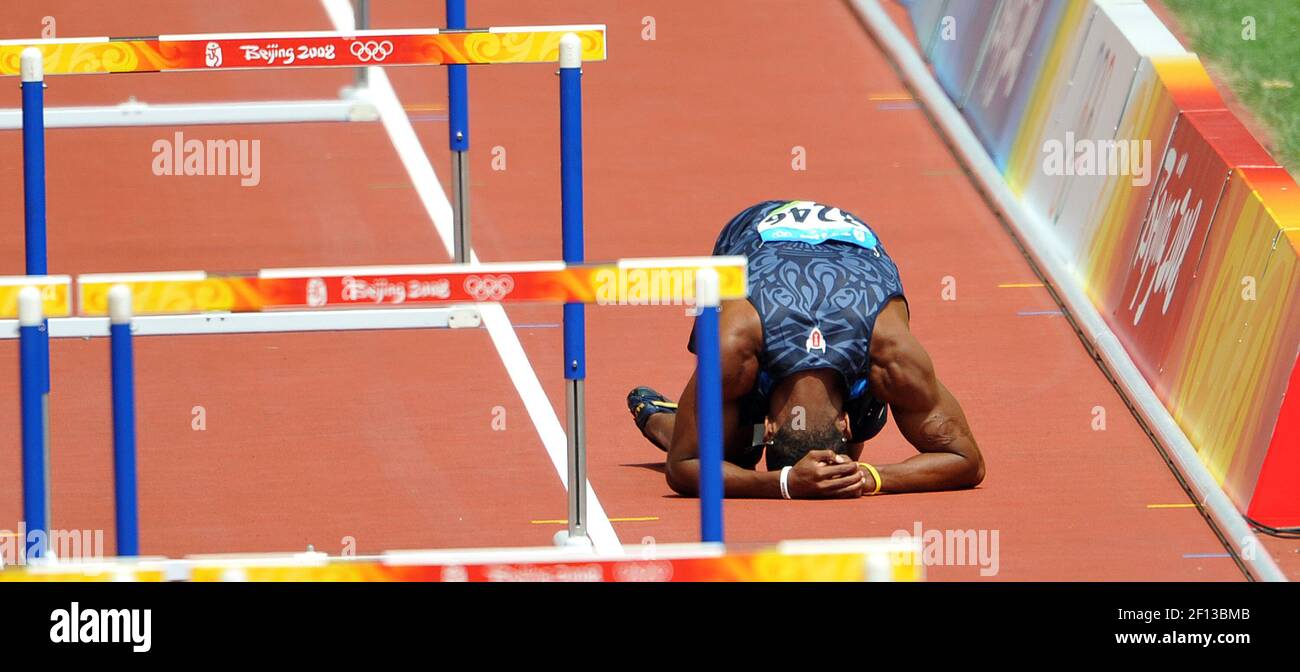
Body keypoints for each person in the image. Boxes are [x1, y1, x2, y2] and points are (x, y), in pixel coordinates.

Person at [628, 200, 984, 499]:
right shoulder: (734, 346)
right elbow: (682, 467)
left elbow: (969, 461)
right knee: (734, 453)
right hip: (750, 232)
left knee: (731, 461)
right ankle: (668, 424)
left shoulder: (891, 353)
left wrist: (863, 475)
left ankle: (691, 421)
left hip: (847, 254)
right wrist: (783, 484)